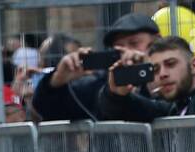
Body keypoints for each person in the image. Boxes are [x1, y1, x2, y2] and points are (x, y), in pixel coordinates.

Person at [97, 0, 195, 121]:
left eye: (171, 64)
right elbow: (118, 108)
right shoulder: (168, 111)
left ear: (194, 65)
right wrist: (114, 92)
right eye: (155, 69)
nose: (162, 74)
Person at [31, 12, 160, 120]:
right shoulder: (98, 84)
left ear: (156, 42)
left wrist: (150, 70)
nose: (126, 51)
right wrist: (57, 80)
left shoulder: (167, 75)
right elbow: (47, 110)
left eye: (134, 43)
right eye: (119, 47)